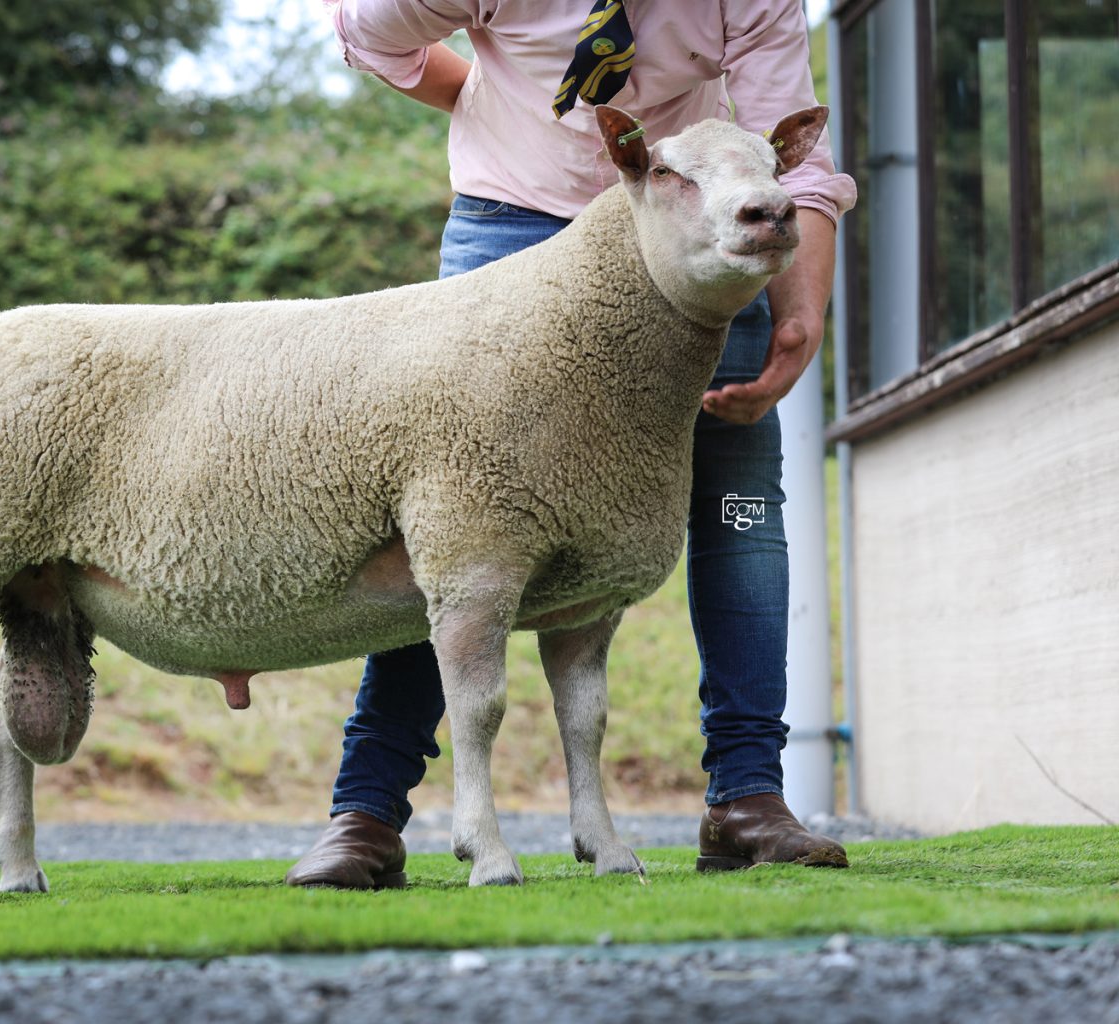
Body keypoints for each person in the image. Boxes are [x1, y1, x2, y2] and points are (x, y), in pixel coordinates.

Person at [285, 0, 858, 888]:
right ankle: (367, 812)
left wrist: (801, 312)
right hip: (514, 227)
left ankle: (748, 798)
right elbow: (368, 32)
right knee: (455, 521)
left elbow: (800, 156)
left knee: (739, 503)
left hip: (698, 235)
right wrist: (489, 97)